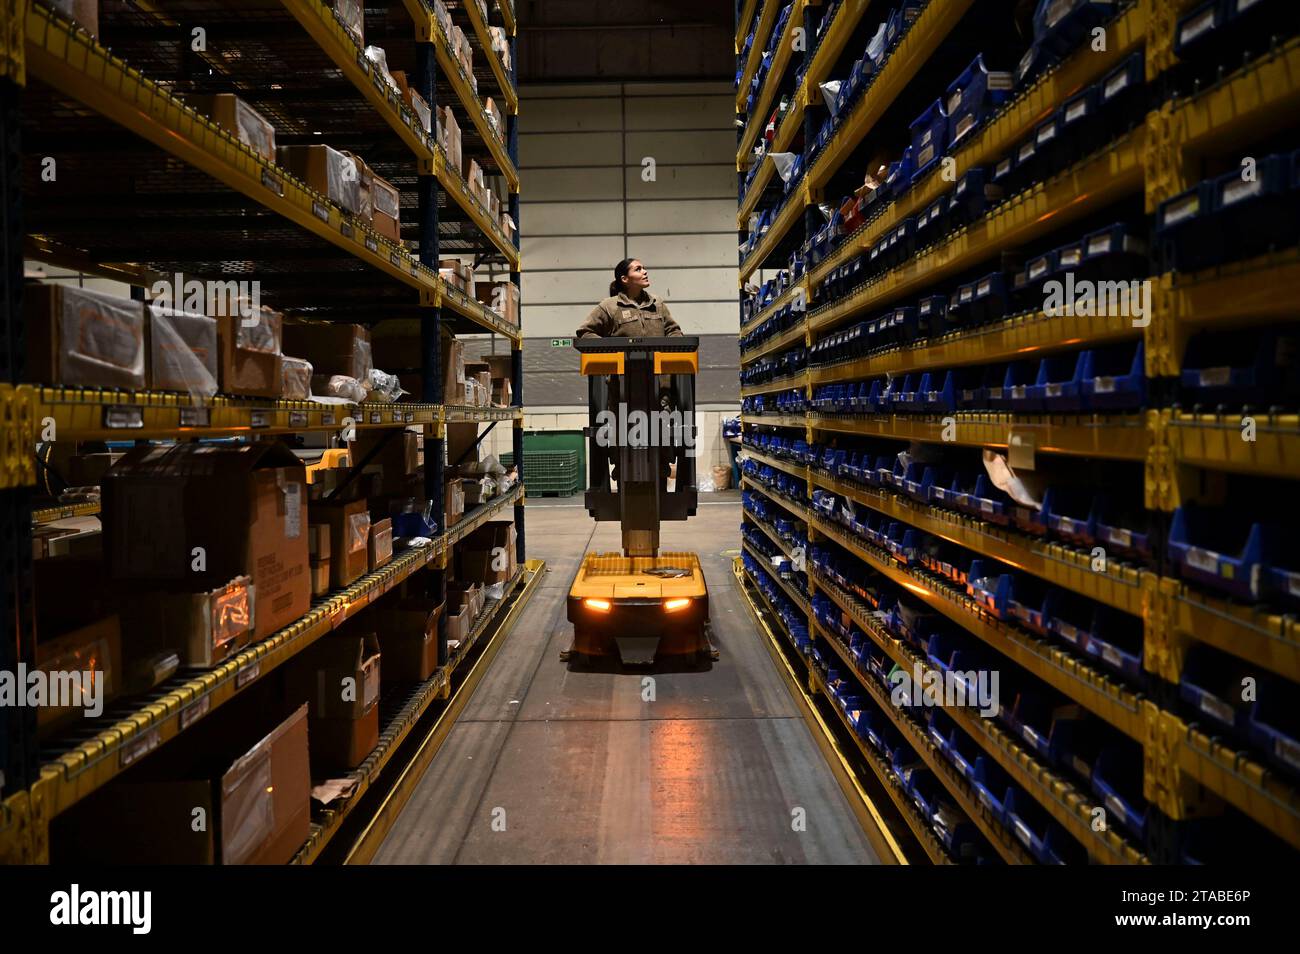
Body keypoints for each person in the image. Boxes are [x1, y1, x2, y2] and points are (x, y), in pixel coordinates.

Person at [575, 258, 683, 338]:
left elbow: (674, 331)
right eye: (638, 269)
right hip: (621, 367)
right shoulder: (609, 306)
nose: (645, 272)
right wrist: (607, 349)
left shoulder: (657, 303)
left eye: (644, 268)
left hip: (656, 366)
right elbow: (585, 332)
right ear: (625, 279)